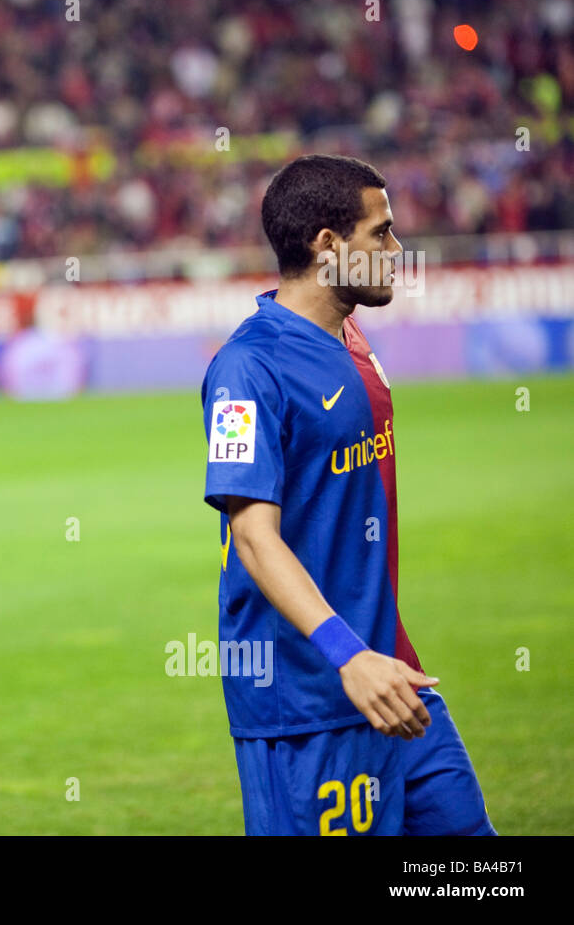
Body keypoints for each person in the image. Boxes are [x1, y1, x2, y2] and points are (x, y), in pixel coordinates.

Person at [200, 154, 494, 835]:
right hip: (310, 696)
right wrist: (347, 655)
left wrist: (374, 654)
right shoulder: (246, 369)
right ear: (328, 244)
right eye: (381, 233)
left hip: (393, 678)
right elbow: (251, 535)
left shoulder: (352, 340)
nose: (398, 252)